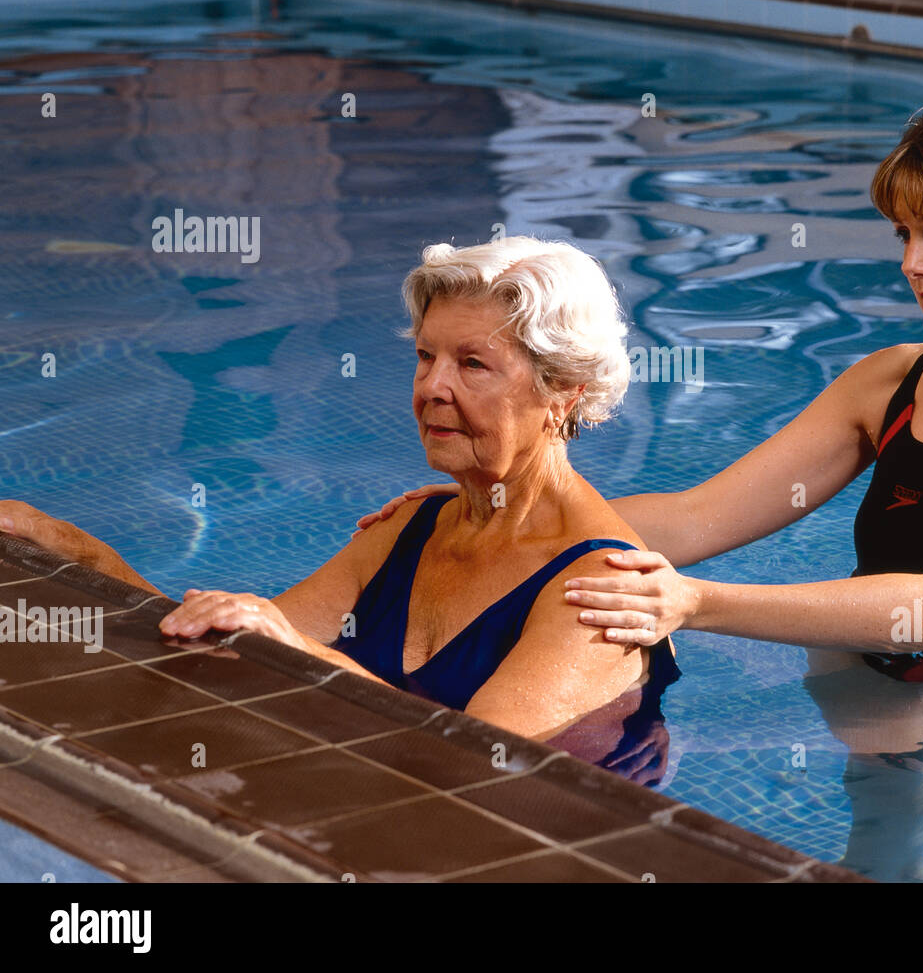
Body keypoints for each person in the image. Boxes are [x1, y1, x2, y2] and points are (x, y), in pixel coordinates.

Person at [355, 97, 923, 874]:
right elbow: (695, 516)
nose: (911, 263)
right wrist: (491, 515)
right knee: (882, 835)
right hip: (867, 669)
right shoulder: (889, 383)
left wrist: (697, 603)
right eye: (904, 234)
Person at [0, 236, 678, 775]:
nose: (432, 387)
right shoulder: (409, 528)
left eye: (473, 364)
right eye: (425, 356)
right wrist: (70, 549)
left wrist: (294, 647)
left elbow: (478, 766)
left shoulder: (606, 592)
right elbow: (233, 652)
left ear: (564, 392)